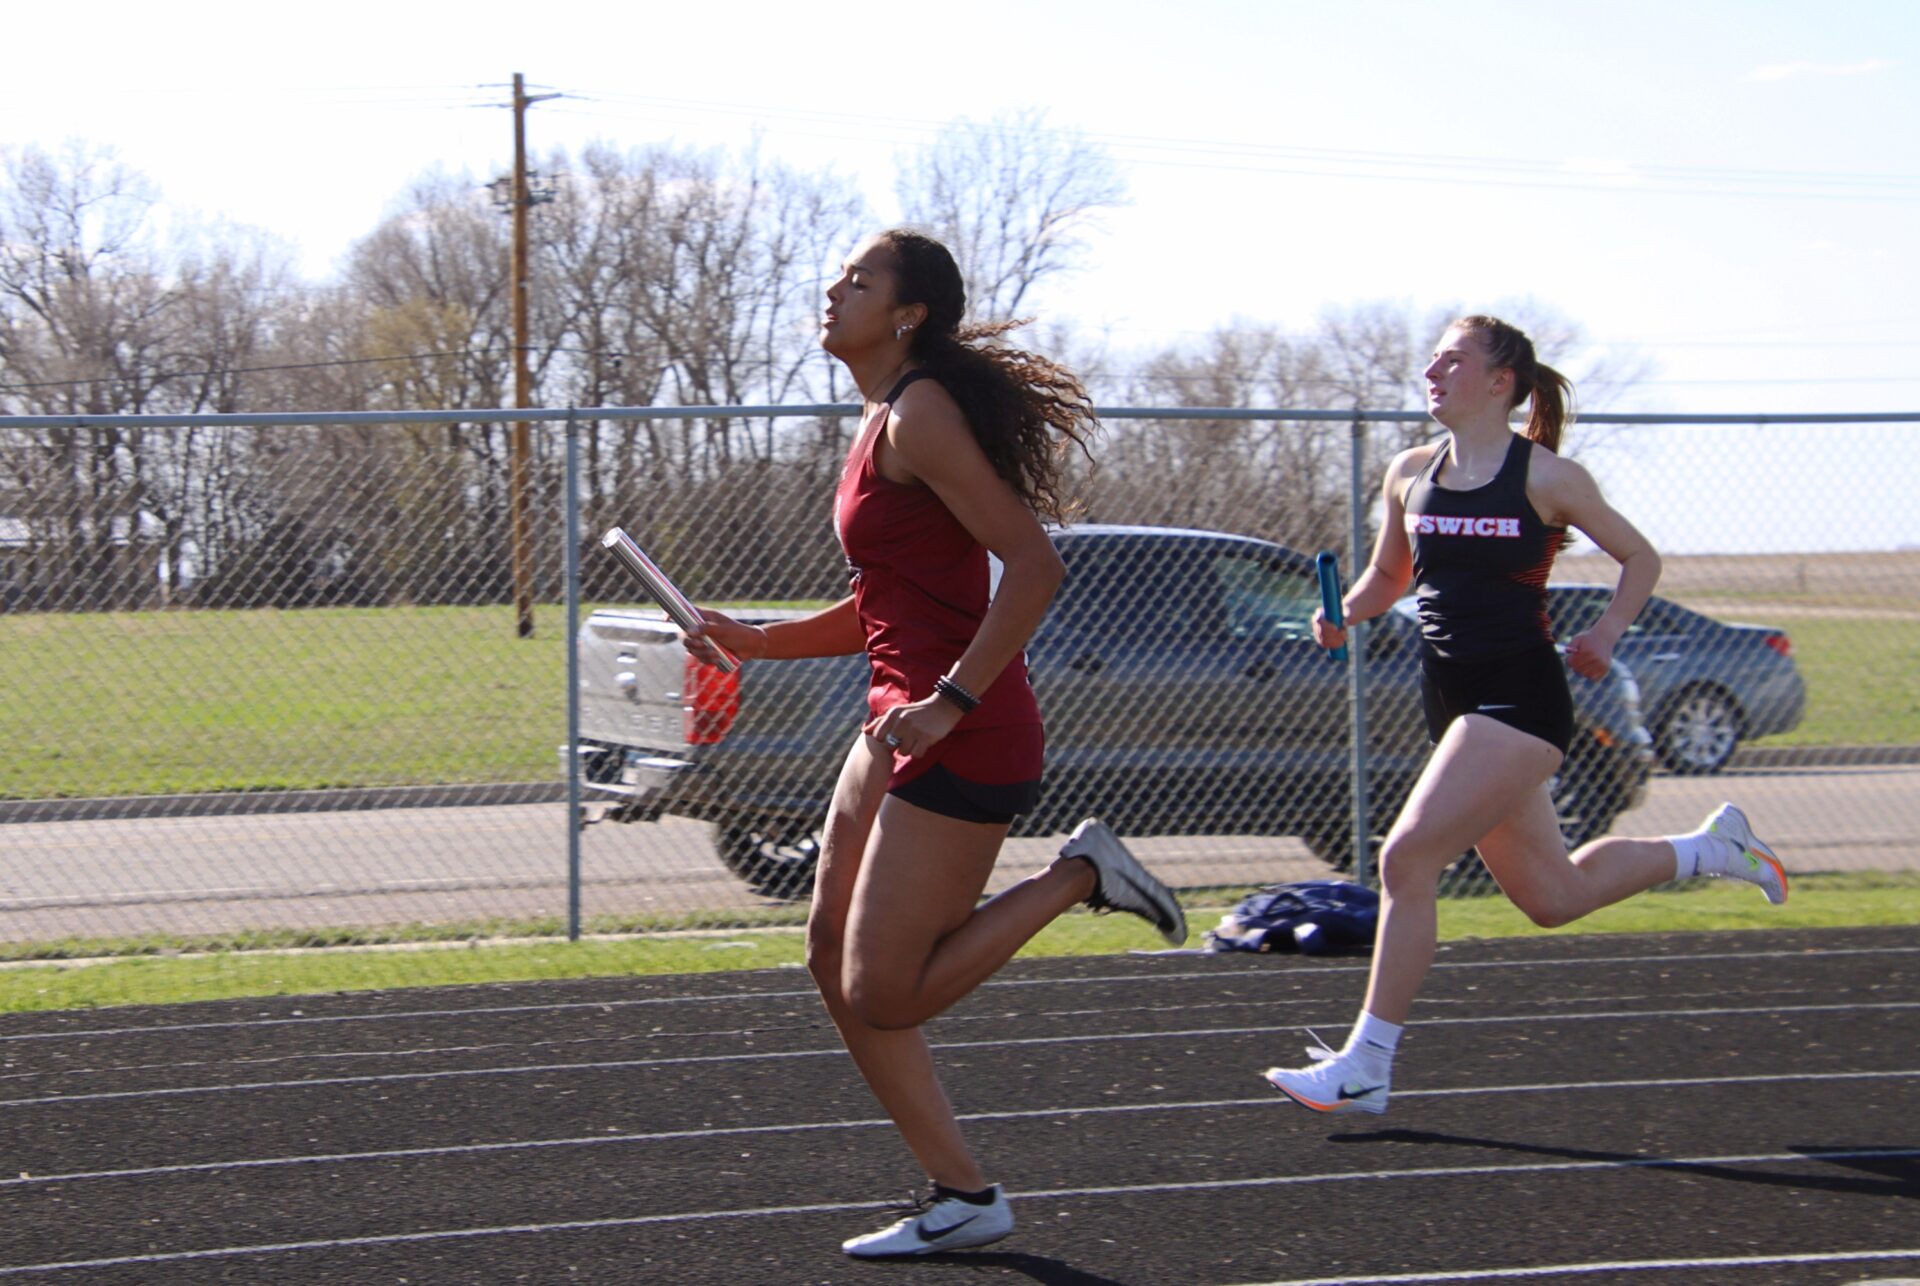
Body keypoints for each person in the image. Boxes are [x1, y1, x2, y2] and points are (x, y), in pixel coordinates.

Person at [680, 228, 1188, 1257]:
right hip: (893, 719)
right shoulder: (880, 416)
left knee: (887, 990)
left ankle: (1081, 875)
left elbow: (1036, 566)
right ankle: (963, 1192)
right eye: (838, 274)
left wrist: (951, 700)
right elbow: (885, 601)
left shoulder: (920, 415)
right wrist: (759, 639)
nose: (833, 289)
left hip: (966, 729)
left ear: (907, 314)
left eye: (859, 280)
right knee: (830, 958)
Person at [1263, 315, 1788, 1118]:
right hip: (1452, 701)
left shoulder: (1549, 478)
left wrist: (1606, 634)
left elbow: (1640, 558)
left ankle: (1367, 1064)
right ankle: (1714, 848)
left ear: (1500, 381)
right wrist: (1344, 616)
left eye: (1452, 360)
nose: (1432, 371)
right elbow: (1389, 578)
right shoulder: (1409, 472)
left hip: (1521, 700)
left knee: (1405, 859)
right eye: (1433, 360)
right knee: (1554, 897)